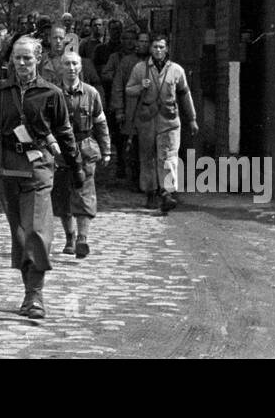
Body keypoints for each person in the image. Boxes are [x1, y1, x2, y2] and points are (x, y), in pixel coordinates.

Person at [0, 36, 82, 319]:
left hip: (39, 167)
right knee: (20, 233)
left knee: (37, 229)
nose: (23, 63)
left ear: (38, 58)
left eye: (28, 58)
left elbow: (64, 132)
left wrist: (74, 166)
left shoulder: (51, 93)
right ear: (11, 60)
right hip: (8, 168)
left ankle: (35, 295)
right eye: (17, 58)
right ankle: (28, 291)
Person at [125, 34, 197, 212]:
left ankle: (166, 193)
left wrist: (192, 119)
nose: (158, 50)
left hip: (169, 119)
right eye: (155, 47)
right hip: (147, 119)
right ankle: (150, 192)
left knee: (169, 157)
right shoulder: (140, 69)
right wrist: (141, 86)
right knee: (148, 157)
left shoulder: (176, 70)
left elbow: (185, 95)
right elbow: (129, 90)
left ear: (167, 49)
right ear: (150, 49)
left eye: (161, 47)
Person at [52, 51, 110, 258]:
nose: (71, 68)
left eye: (74, 64)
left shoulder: (91, 93)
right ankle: (70, 236)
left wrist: (106, 149)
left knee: (84, 193)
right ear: (61, 67)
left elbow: (100, 122)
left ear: (80, 67)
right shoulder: (53, 94)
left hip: (85, 148)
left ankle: (82, 239)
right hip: (61, 150)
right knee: (63, 197)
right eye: (66, 64)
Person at [102, 28, 144, 183]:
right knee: (121, 138)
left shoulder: (144, 59)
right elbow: (107, 76)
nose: (129, 42)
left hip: (138, 103)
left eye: (133, 38)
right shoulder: (117, 57)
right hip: (122, 101)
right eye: (125, 38)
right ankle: (122, 164)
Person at [40, 23, 102, 90]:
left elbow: (97, 86)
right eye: (55, 38)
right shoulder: (40, 61)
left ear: (66, 40)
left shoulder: (82, 62)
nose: (58, 41)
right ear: (49, 39)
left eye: (61, 38)